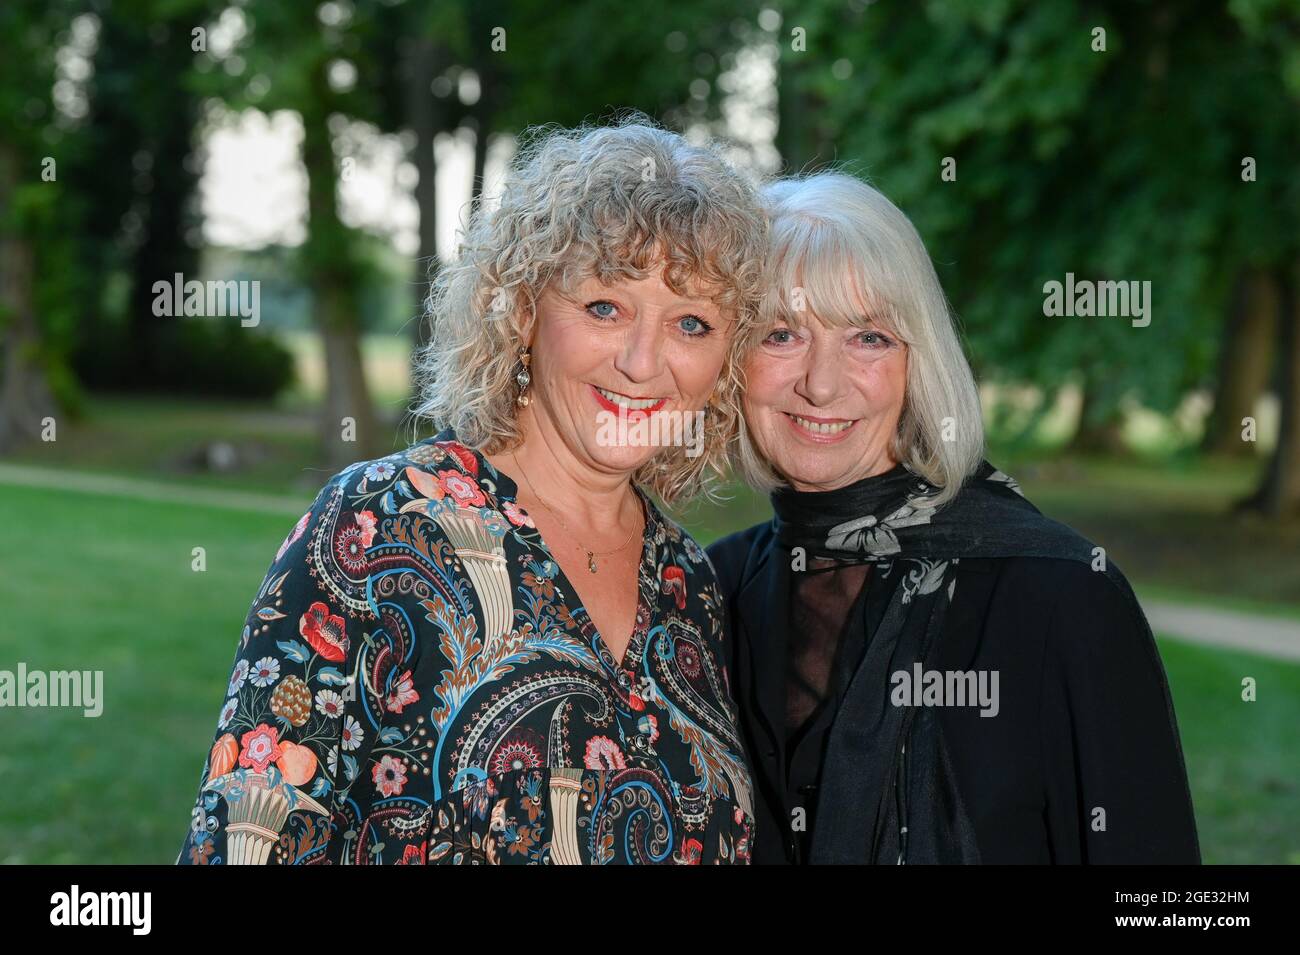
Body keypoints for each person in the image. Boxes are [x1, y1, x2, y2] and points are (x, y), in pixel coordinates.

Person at [178, 115, 766, 864]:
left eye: (692, 322)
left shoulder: (691, 583)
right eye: (604, 308)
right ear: (522, 311)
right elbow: (239, 846)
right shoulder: (376, 526)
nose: (644, 362)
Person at [707, 170, 1201, 864]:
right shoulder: (709, 590)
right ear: (732, 361)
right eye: (781, 333)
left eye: (869, 337)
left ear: (920, 361)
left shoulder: (1062, 595)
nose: (821, 382)